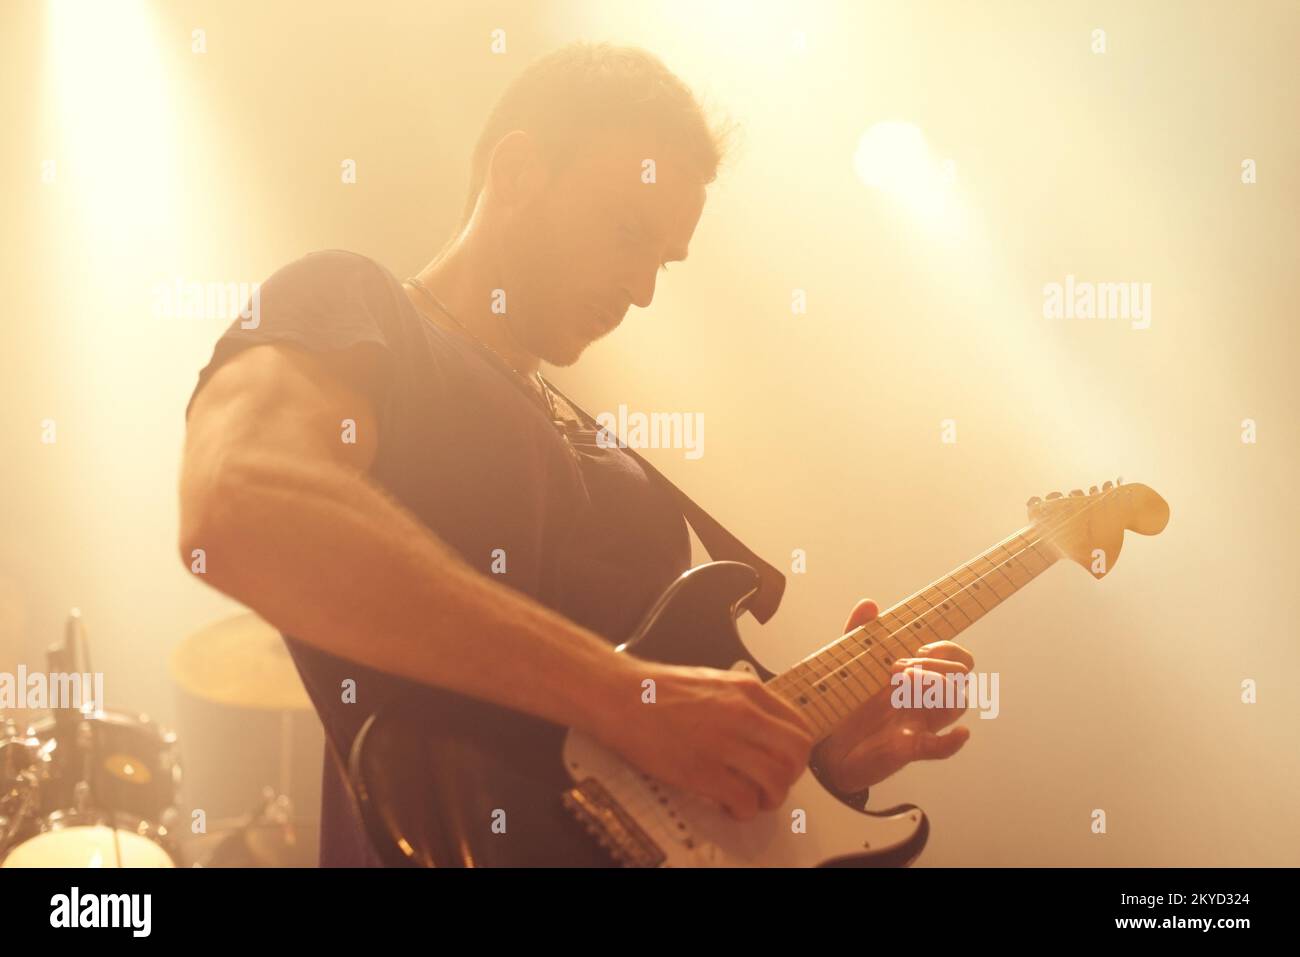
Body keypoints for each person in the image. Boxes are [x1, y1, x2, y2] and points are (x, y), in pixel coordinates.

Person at [179, 41, 973, 867]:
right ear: (517, 171)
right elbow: (238, 504)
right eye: (627, 232)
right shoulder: (352, 299)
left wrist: (813, 764)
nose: (642, 289)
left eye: (662, 260)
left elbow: (637, 789)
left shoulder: (616, 461)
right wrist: (629, 695)